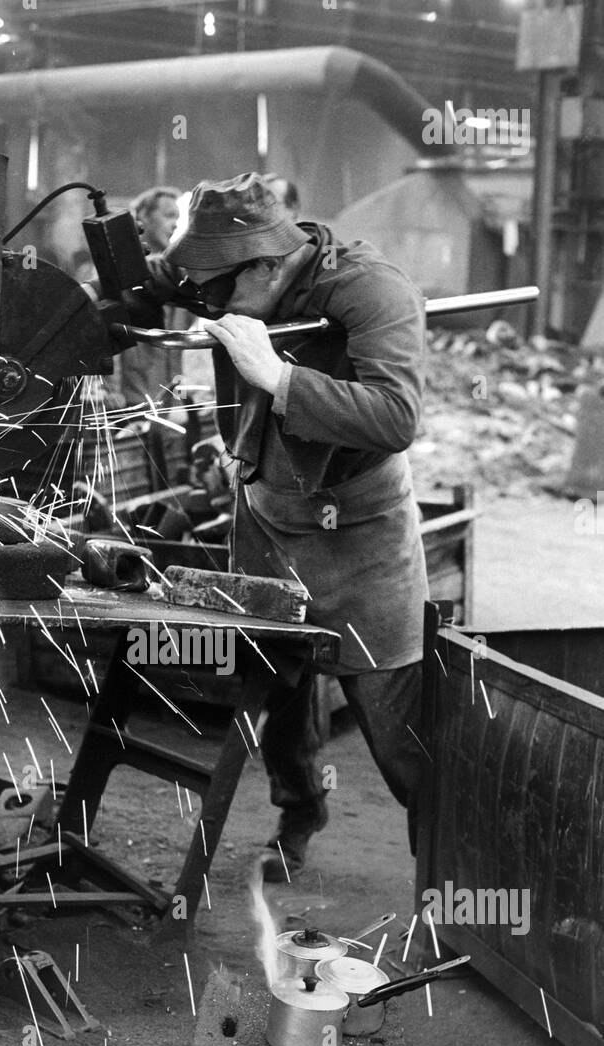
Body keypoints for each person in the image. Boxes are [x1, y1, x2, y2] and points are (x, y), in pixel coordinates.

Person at [136, 172, 429, 881]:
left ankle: (449, 861)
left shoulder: (371, 289)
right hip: (267, 518)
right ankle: (299, 812)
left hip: (359, 532)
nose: (200, 302)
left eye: (214, 291)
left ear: (266, 265)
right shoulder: (232, 271)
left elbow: (397, 417)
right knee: (278, 695)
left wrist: (276, 377)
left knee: (393, 720)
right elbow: (153, 279)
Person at [112, 185, 190, 486]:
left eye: (178, 217)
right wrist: (115, 404)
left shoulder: (177, 278)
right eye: (168, 215)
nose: (174, 224)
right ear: (142, 219)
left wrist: (180, 400)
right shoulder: (119, 276)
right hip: (127, 413)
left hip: (168, 411)